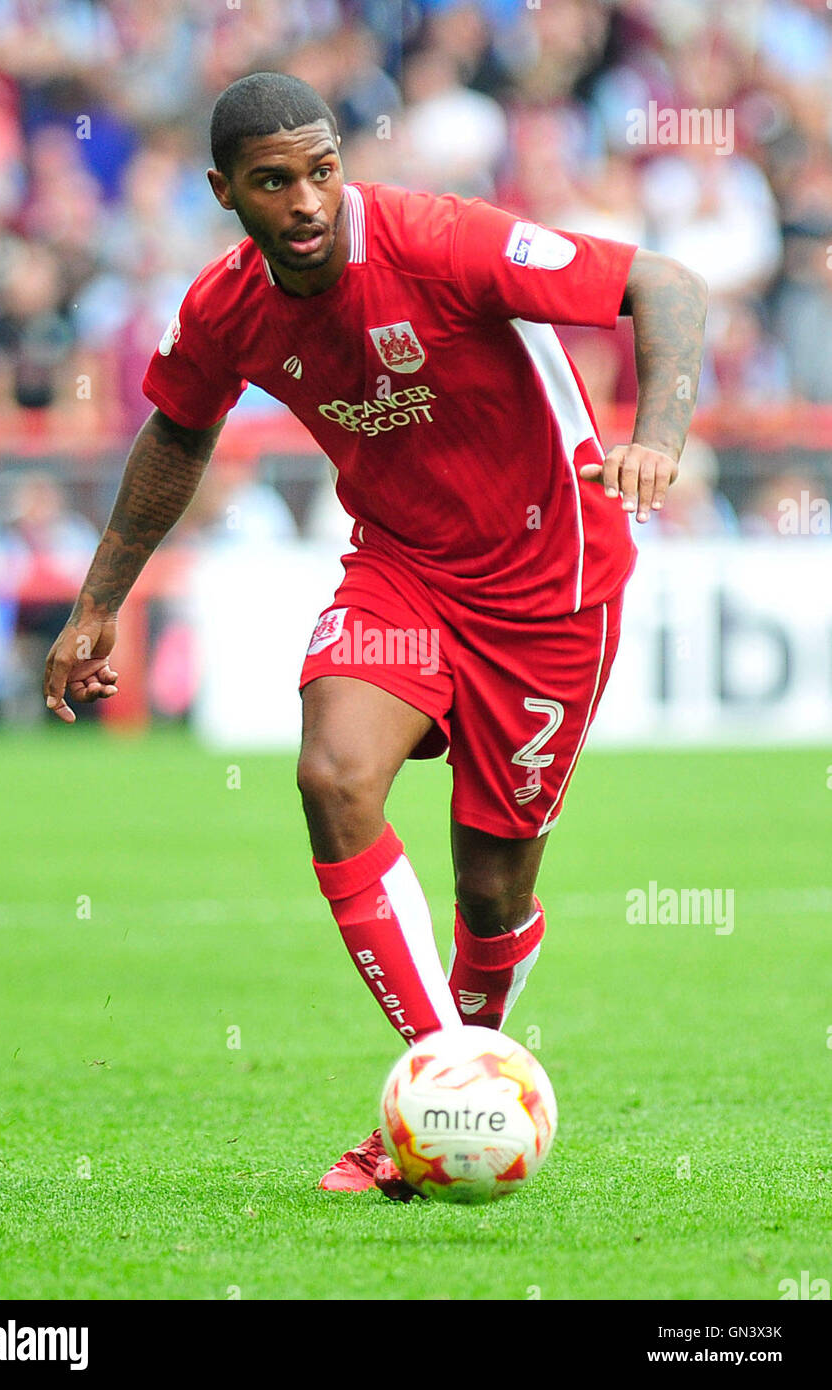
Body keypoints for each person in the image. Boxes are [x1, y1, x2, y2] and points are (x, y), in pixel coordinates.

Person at [43, 72, 707, 1201]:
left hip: (554, 582)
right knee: (333, 772)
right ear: (224, 192)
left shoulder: (442, 241)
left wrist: (658, 432)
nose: (305, 202)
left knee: (491, 892)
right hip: (402, 571)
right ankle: (445, 1086)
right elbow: (177, 432)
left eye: (320, 171)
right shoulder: (222, 308)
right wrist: (99, 599)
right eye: (271, 182)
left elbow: (664, 281)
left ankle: (456, 1080)